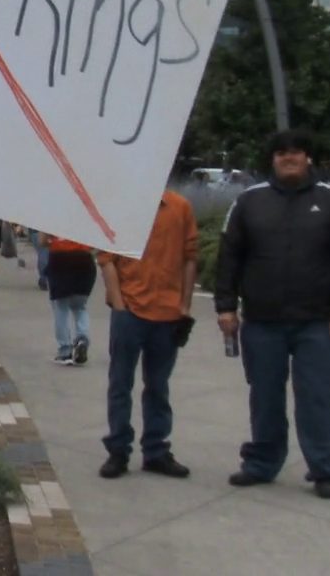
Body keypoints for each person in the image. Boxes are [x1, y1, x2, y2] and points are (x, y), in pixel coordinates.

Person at [214, 129, 330, 499]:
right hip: (262, 322)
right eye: (282, 153)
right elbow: (229, 256)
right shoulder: (249, 202)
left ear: (308, 158)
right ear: (273, 159)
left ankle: (323, 469)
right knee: (264, 396)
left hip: (319, 323)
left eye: (297, 152)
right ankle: (262, 463)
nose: (289, 157)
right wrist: (225, 306)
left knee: (318, 397)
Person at [97, 190, 199, 479]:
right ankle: (118, 450)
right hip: (130, 312)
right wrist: (119, 306)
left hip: (168, 314)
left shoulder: (181, 207)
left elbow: (190, 256)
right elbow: (106, 259)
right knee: (120, 384)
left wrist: (185, 305)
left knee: (158, 385)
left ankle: (156, 451)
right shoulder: (121, 205)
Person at [46, 234, 96, 365]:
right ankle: (82, 339)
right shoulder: (87, 215)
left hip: (59, 259)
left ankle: (65, 352)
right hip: (84, 260)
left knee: (61, 308)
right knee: (80, 306)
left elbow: (42, 240)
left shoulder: (52, 214)